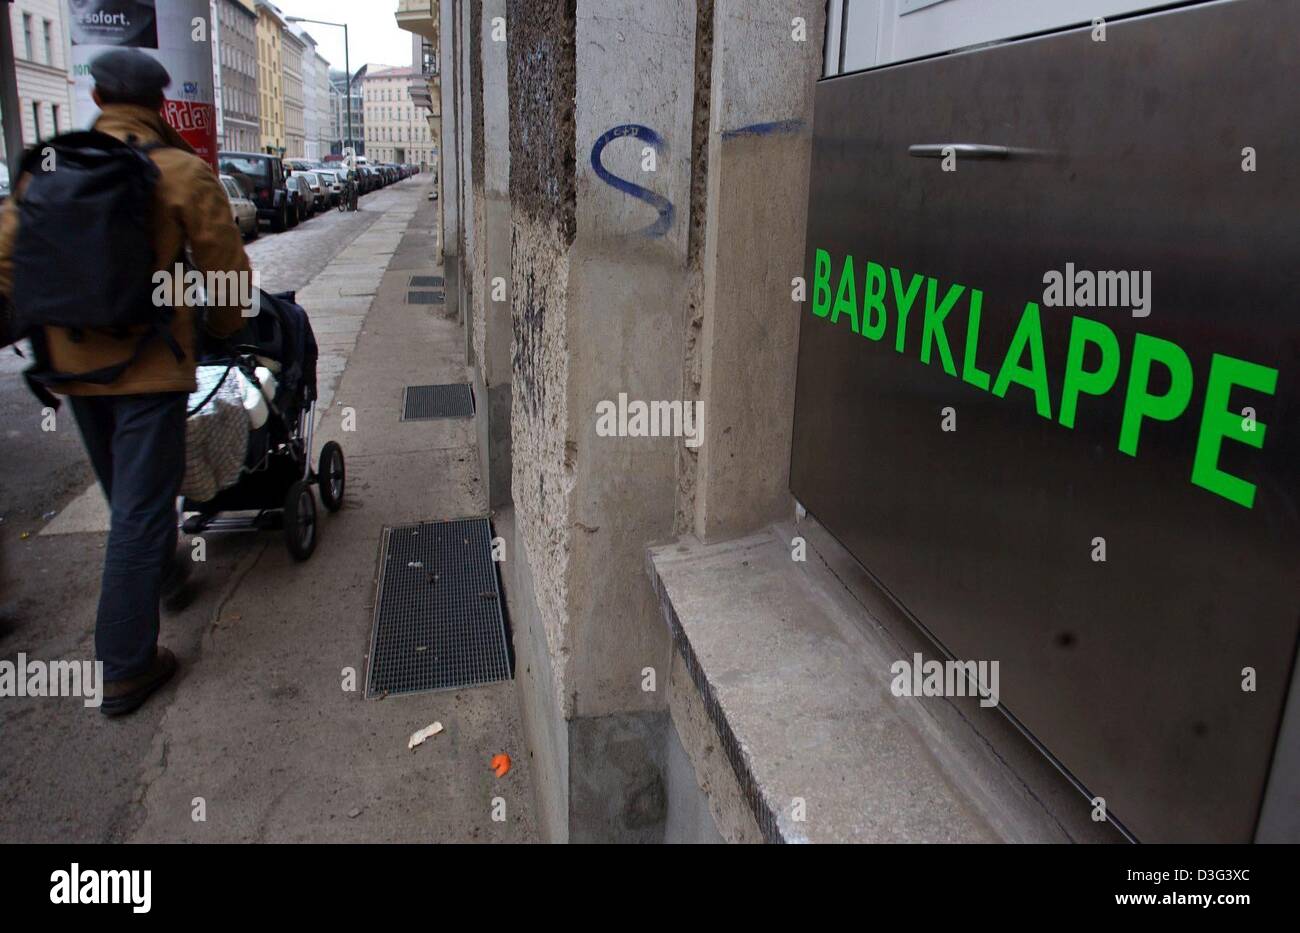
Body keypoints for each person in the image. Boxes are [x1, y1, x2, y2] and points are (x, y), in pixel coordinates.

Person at [0, 49, 252, 716]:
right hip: (149, 366)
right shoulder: (181, 171)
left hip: (72, 367)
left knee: (129, 502)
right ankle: (124, 666)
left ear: (97, 93)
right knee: (141, 510)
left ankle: (167, 574)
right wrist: (226, 331)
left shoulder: (49, 168)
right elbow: (226, 271)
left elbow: (7, 262)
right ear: (160, 103)